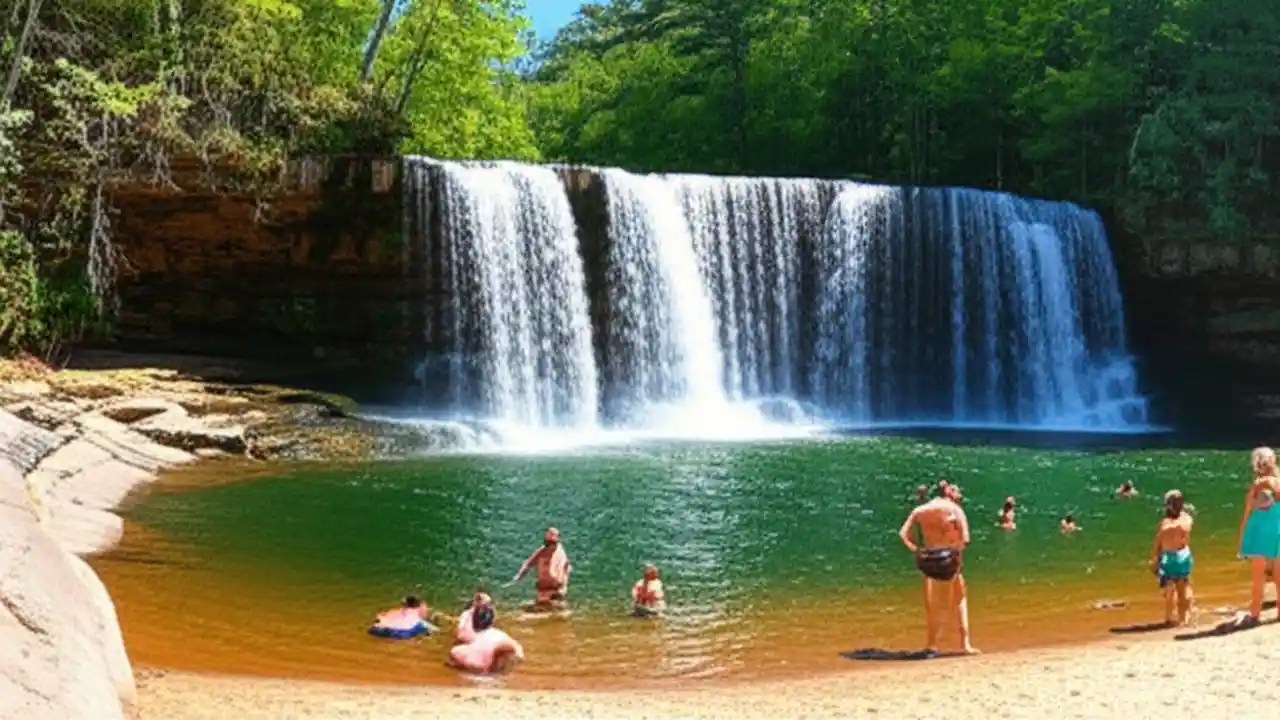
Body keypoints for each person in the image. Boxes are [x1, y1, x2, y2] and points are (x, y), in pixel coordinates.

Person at [898, 481, 978, 656]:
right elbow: (965, 538)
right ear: (949, 493)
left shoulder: (920, 511)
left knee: (931, 604)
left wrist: (917, 550)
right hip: (948, 558)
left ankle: (931, 645)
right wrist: (954, 552)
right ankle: (965, 643)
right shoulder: (954, 509)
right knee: (959, 598)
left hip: (929, 558)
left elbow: (903, 534)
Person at [1238, 447, 1280, 625]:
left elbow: (1247, 512)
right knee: (1279, 574)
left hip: (1260, 532)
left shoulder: (1258, 485)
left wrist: (1241, 538)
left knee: (1258, 575)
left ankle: (1255, 614)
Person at [1151, 490, 1194, 626]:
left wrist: (1154, 560)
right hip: (1183, 554)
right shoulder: (1187, 520)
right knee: (1184, 586)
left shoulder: (1165, 525)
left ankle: (1169, 618)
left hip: (1169, 557)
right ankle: (1185, 617)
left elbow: (1158, 544)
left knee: (1169, 589)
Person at [448, 606, 525, 674]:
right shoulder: (499, 635)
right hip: (498, 674)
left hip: (476, 674)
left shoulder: (468, 639)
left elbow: (457, 654)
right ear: (492, 621)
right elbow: (519, 655)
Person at [511, 527, 572, 608]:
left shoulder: (560, 554)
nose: (549, 545)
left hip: (556, 591)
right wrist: (519, 576)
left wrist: (562, 586)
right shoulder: (542, 551)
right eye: (547, 542)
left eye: (551, 542)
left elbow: (566, 570)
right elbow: (528, 563)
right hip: (543, 590)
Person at [369, 595, 436, 638]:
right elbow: (435, 629)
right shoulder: (418, 619)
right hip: (402, 633)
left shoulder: (394, 611)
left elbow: (379, 616)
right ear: (418, 607)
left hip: (376, 629)